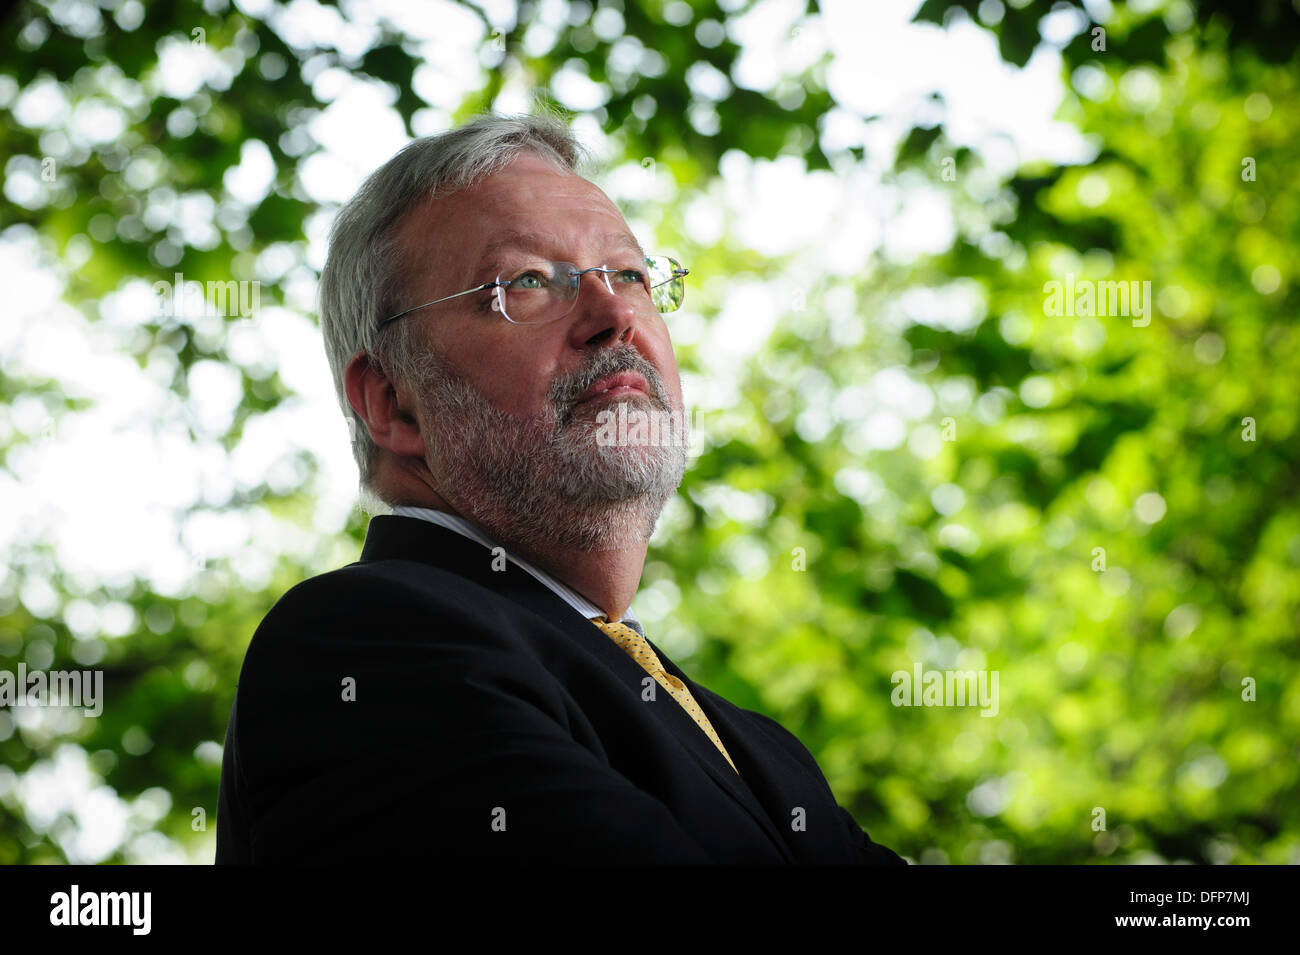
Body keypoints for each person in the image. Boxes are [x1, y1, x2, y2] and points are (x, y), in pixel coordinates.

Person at [215, 112, 904, 864]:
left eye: (633, 275)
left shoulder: (766, 752)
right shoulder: (361, 641)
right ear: (392, 400)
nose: (615, 317)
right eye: (530, 282)